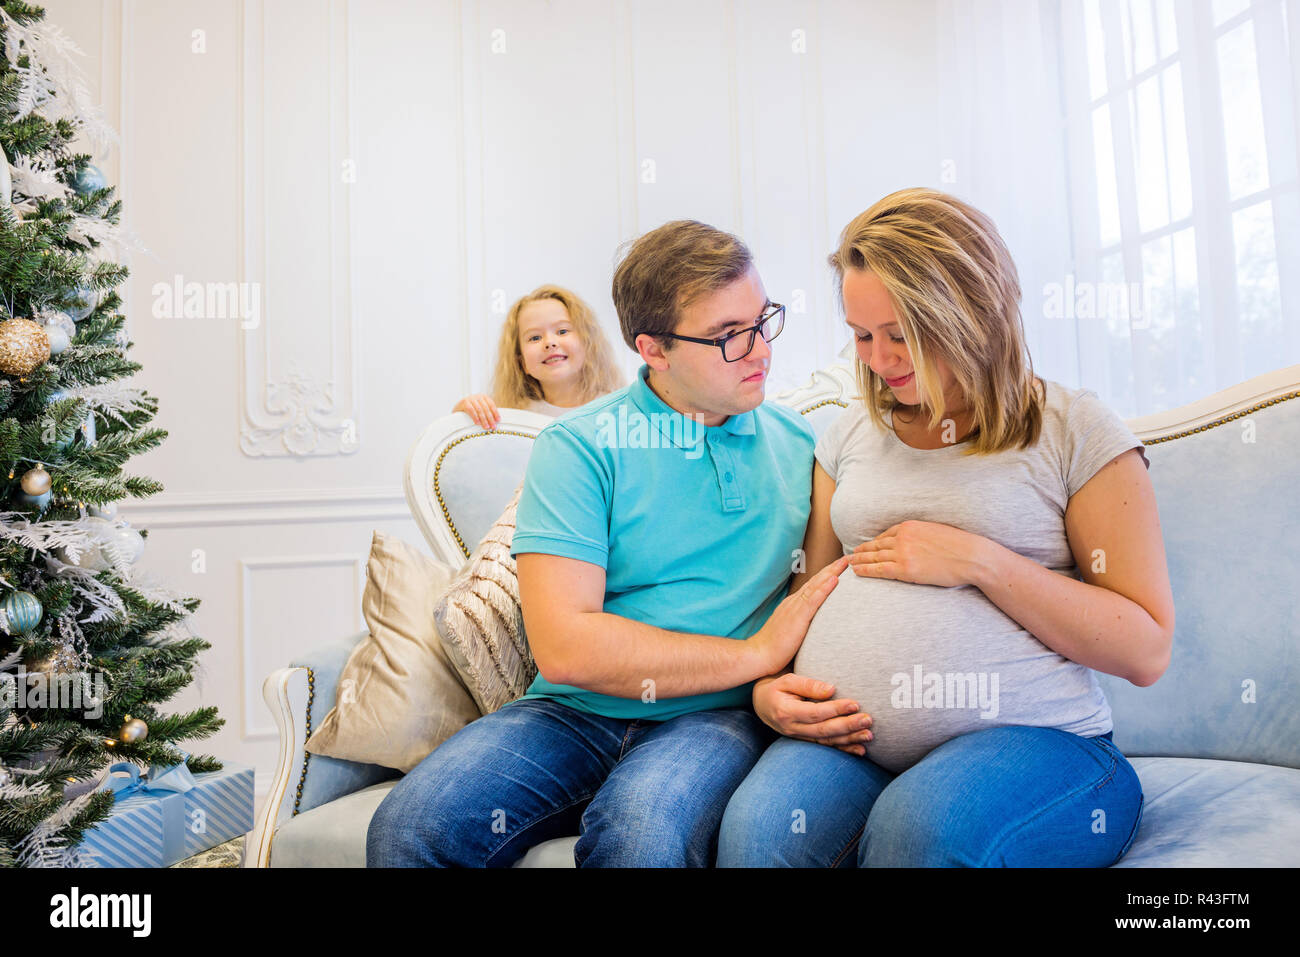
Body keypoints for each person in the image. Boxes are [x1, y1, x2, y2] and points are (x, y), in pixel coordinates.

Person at [367, 221, 850, 867]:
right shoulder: (580, 446)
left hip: (716, 718)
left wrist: (762, 676)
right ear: (653, 348)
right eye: (729, 336)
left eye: (762, 320)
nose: (760, 349)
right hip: (572, 713)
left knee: (640, 836)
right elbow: (567, 647)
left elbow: (813, 612)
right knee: (409, 828)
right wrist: (757, 652)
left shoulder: (807, 448)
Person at [717, 188, 1175, 868]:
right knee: (758, 838)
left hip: (1044, 744)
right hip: (853, 745)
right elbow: (806, 596)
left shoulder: (1074, 430)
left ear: (972, 309)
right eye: (861, 333)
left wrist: (979, 560)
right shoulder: (846, 437)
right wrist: (767, 688)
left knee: (924, 833)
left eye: (902, 333)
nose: (879, 358)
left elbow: (1145, 648)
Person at [452, 284, 623, 429]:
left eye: (562, 331)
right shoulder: (506, 419)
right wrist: (465, 414)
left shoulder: (619, 410)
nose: (550, 342)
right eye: (535, 337)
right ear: (522, 363)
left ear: (588, 344)